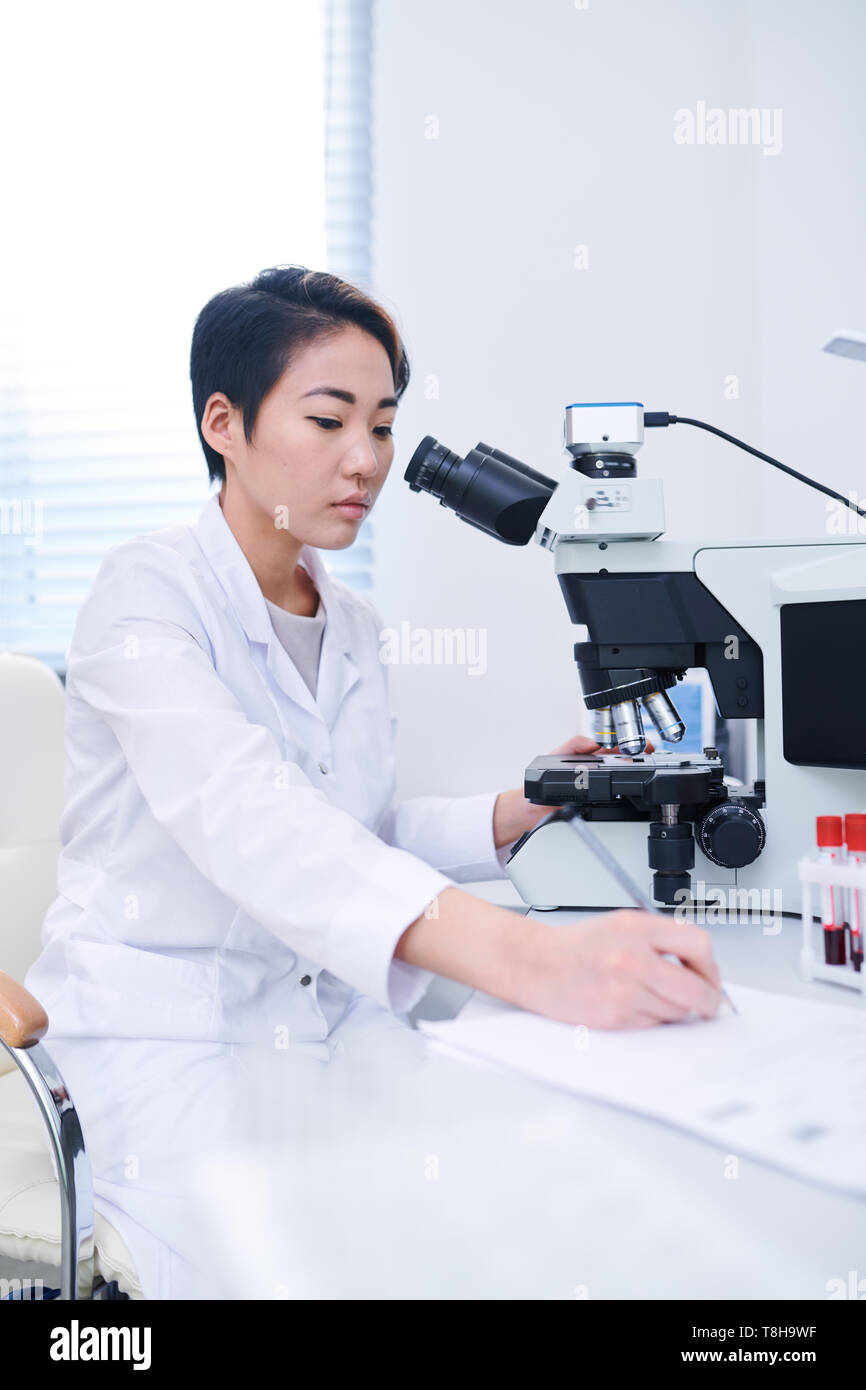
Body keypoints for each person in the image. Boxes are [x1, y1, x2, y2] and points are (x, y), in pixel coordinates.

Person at [23, 265, 722, 1299]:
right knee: (295, 1268)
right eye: (328, 418)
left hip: (325, 1020)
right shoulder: (146, 594)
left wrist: (515, 807)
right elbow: (253, 823)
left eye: (384, 426)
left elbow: (352, 826)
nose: (366, 460)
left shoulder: (348, 624)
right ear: (224, 421)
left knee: (521, 1213)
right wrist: (527, 957)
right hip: (165, 1042)